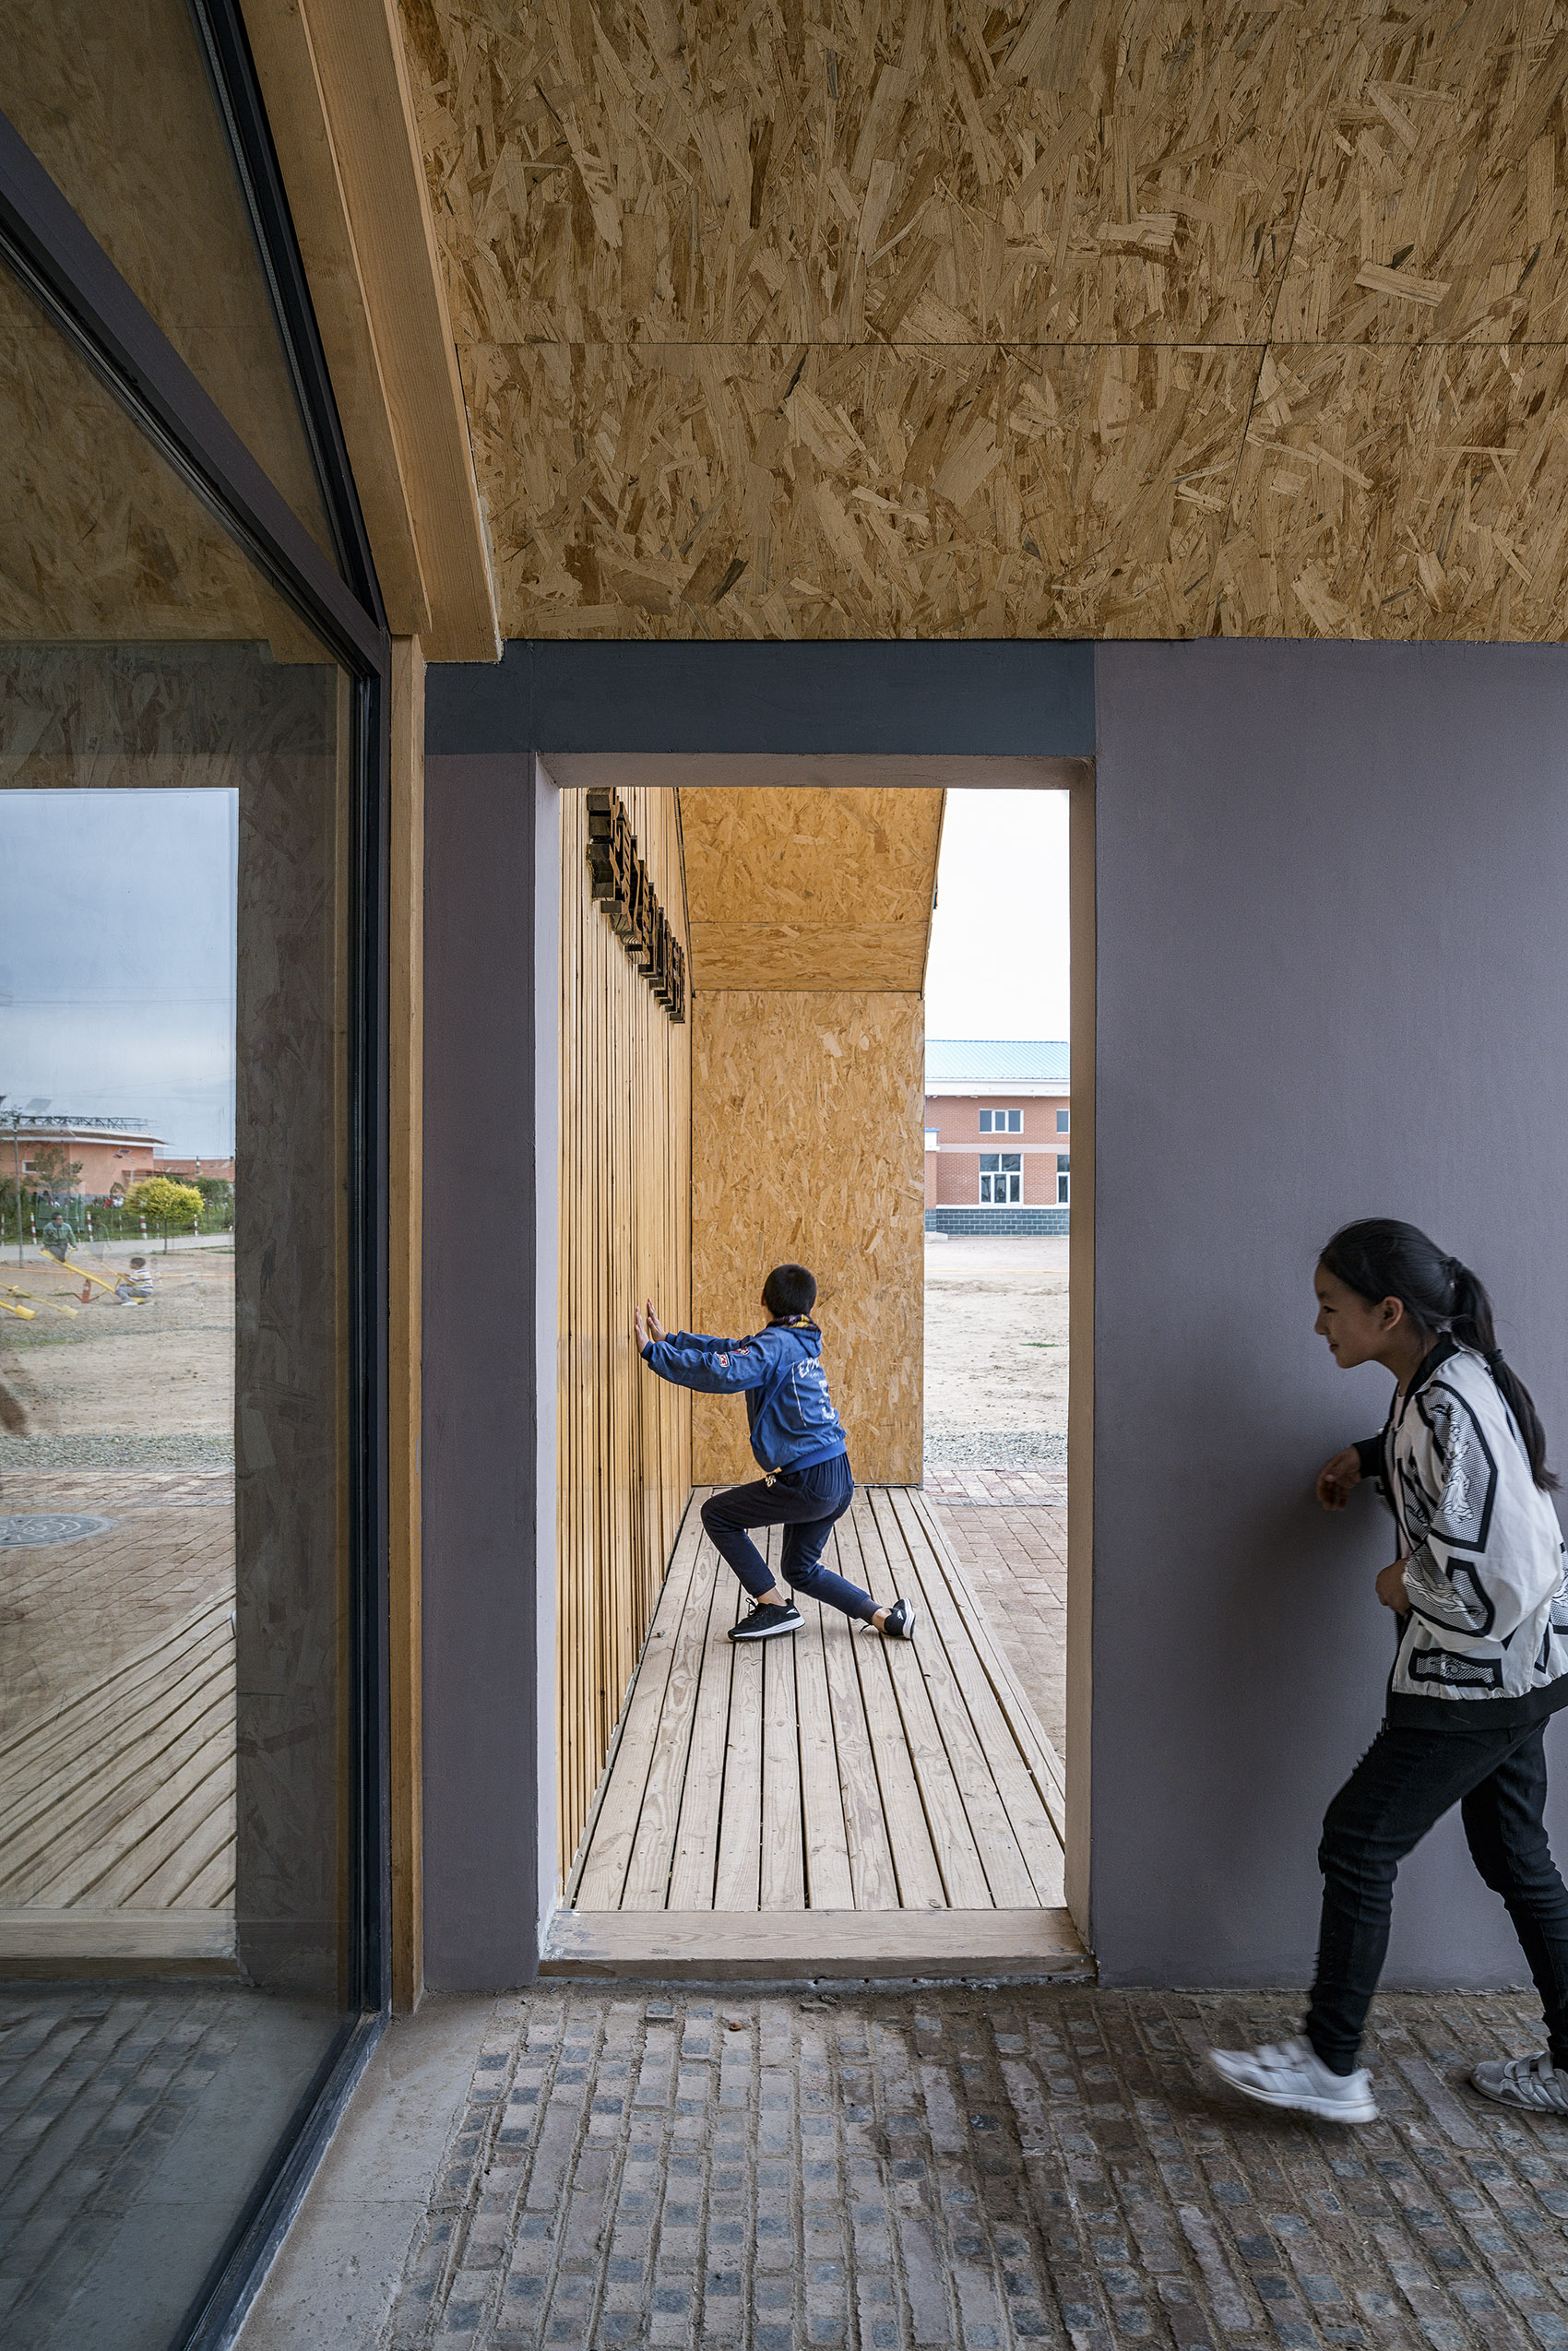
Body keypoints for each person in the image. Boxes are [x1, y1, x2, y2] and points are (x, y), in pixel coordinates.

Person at [1212, 1218, 1568, 2124]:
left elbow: (1497, 1556)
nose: (1317, 1326)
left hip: (1473, 1680)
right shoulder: (1438, 1375)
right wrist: (1365, 1456)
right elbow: (1456, 1478)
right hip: (1520, 1671)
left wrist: (1398, 1578)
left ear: (1387, 1310)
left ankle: (1330, 2067)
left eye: (1330, 1309)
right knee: (1513, 1854)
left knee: (1357, 1840)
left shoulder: (1449, 1395)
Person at [634, 1262, 916, 1645]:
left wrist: (654, 1353)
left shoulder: (776, 1345)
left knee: (717, 1514)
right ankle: (885, 1617)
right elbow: (733, 1350)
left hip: (809, 1480)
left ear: (763, 1299)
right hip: (838, 1473)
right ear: (807, 1306)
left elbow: (726, 1371)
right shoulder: (795, 1340)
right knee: (800, 1569)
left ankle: (775, 1609)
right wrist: (673, 1340)